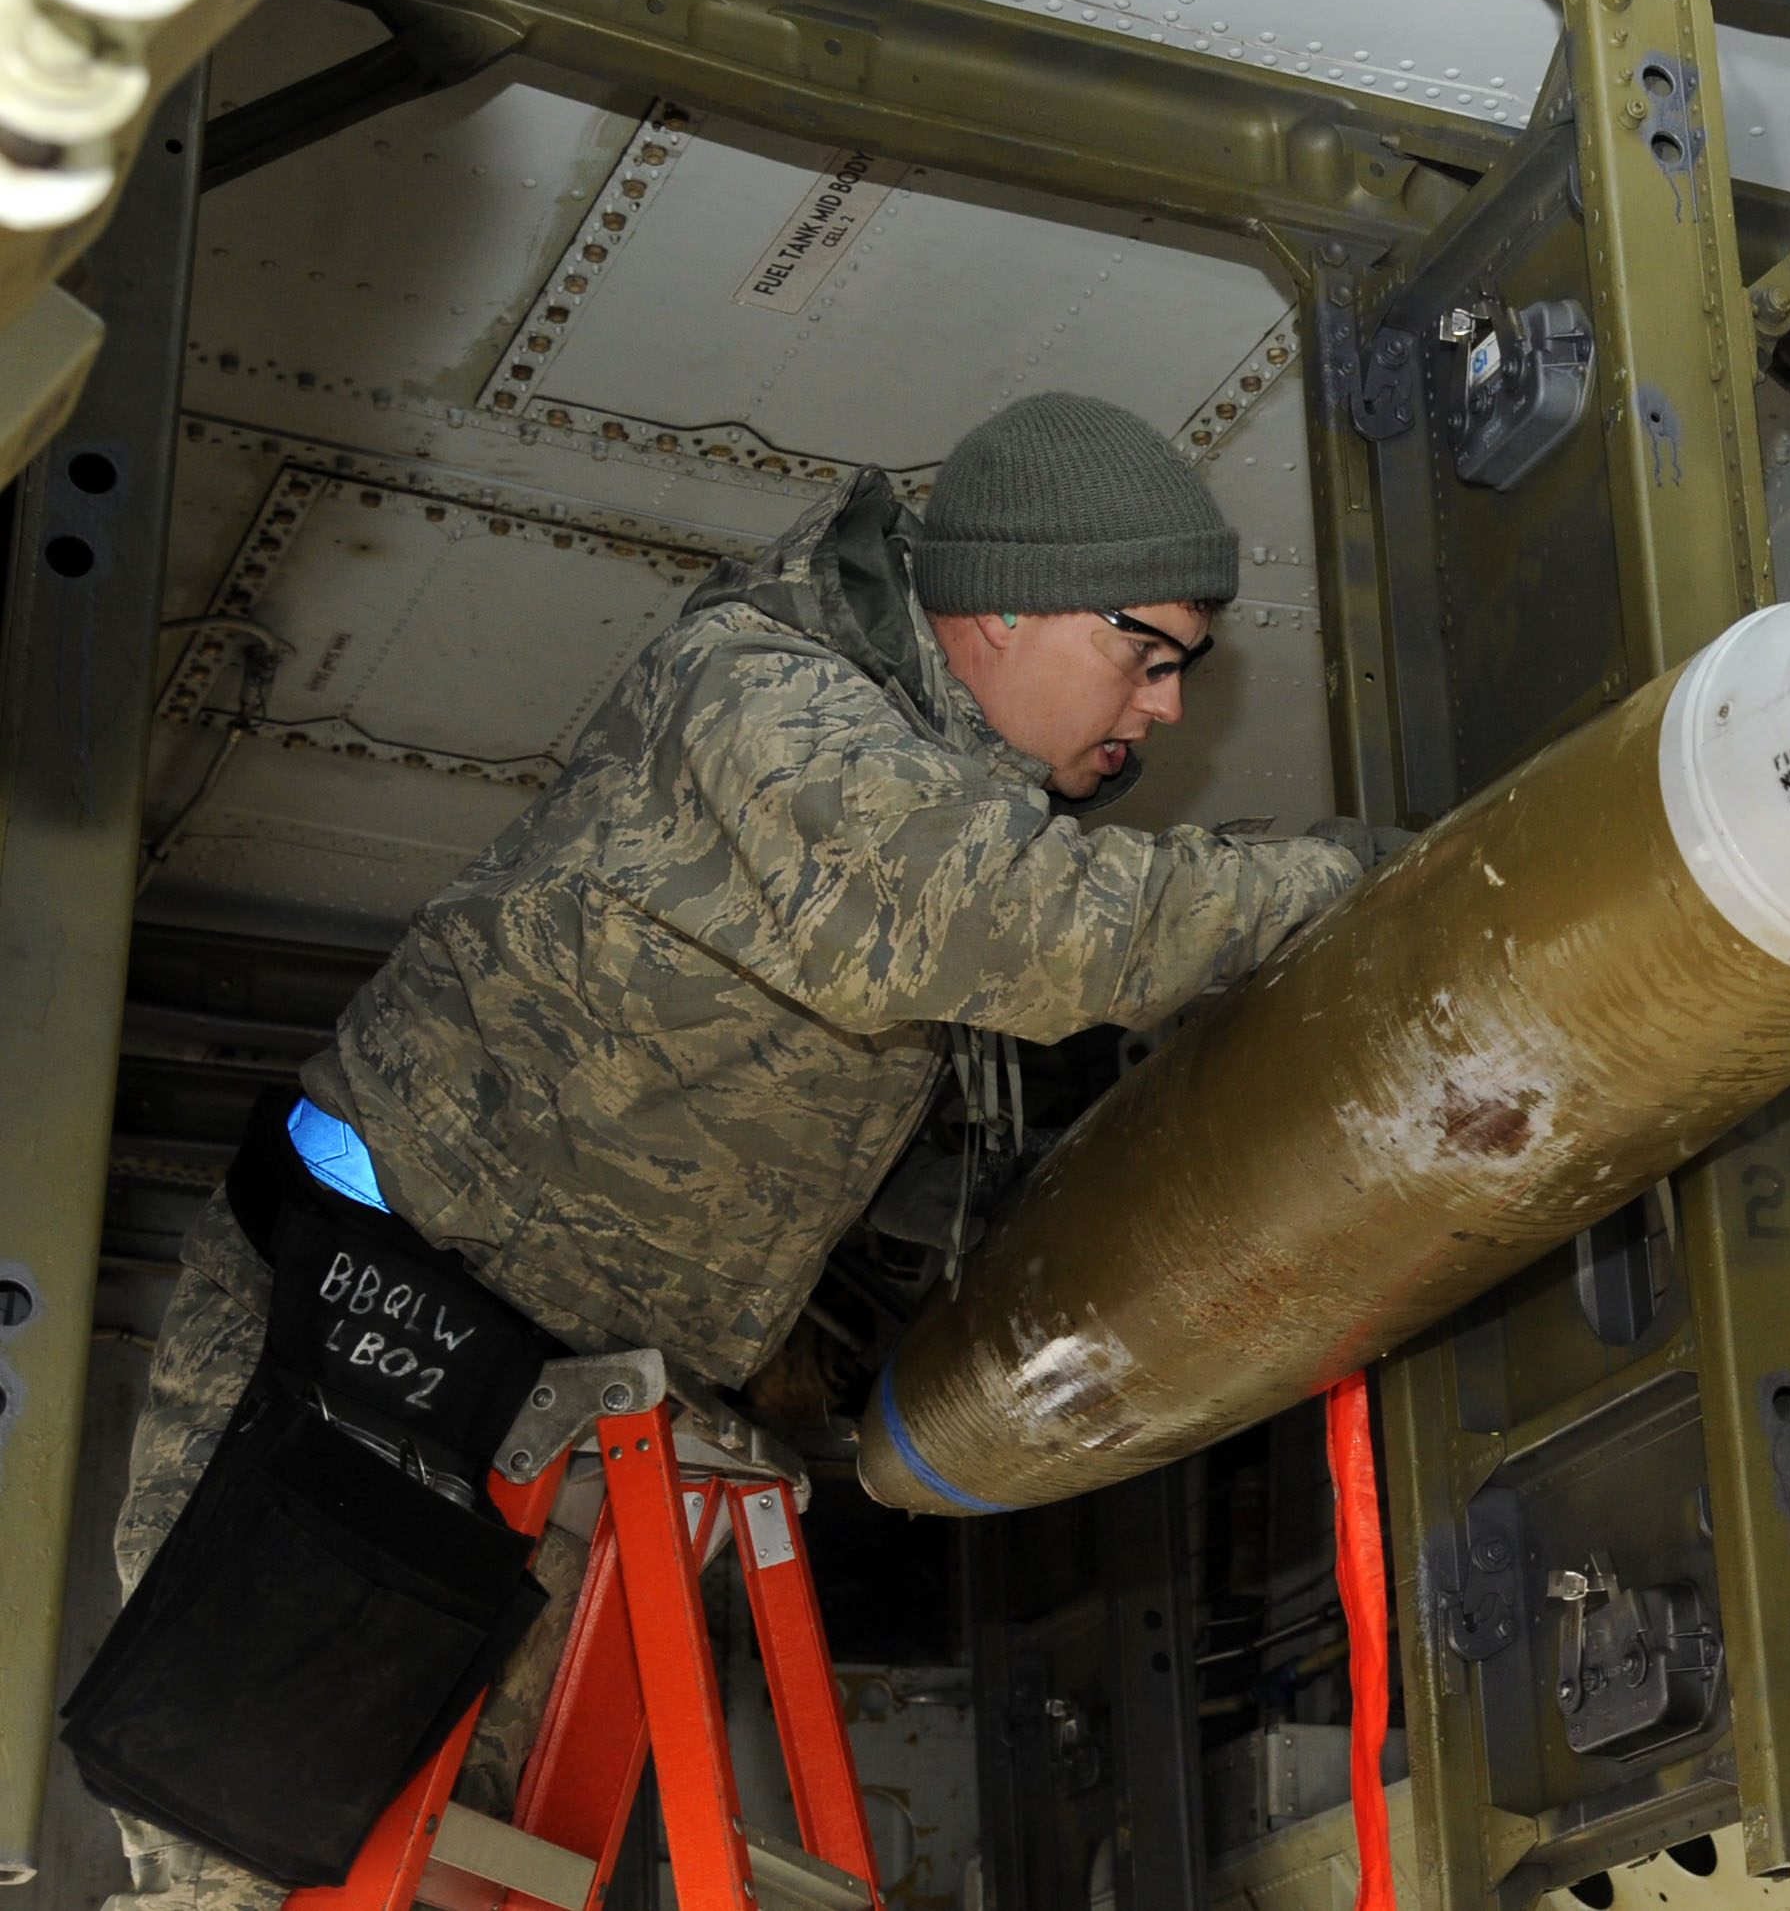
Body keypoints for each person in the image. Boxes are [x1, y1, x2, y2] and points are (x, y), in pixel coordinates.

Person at [84, 394, 1368, 1911]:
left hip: (554, 1396)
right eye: (1144, 653)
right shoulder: (767, 697)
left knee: (447, 1873)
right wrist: (1350, 874)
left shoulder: (923, 782)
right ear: (1005, 599)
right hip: (375, 1335)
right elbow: (1022, 930)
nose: (1162, 707)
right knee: (244, 1859)